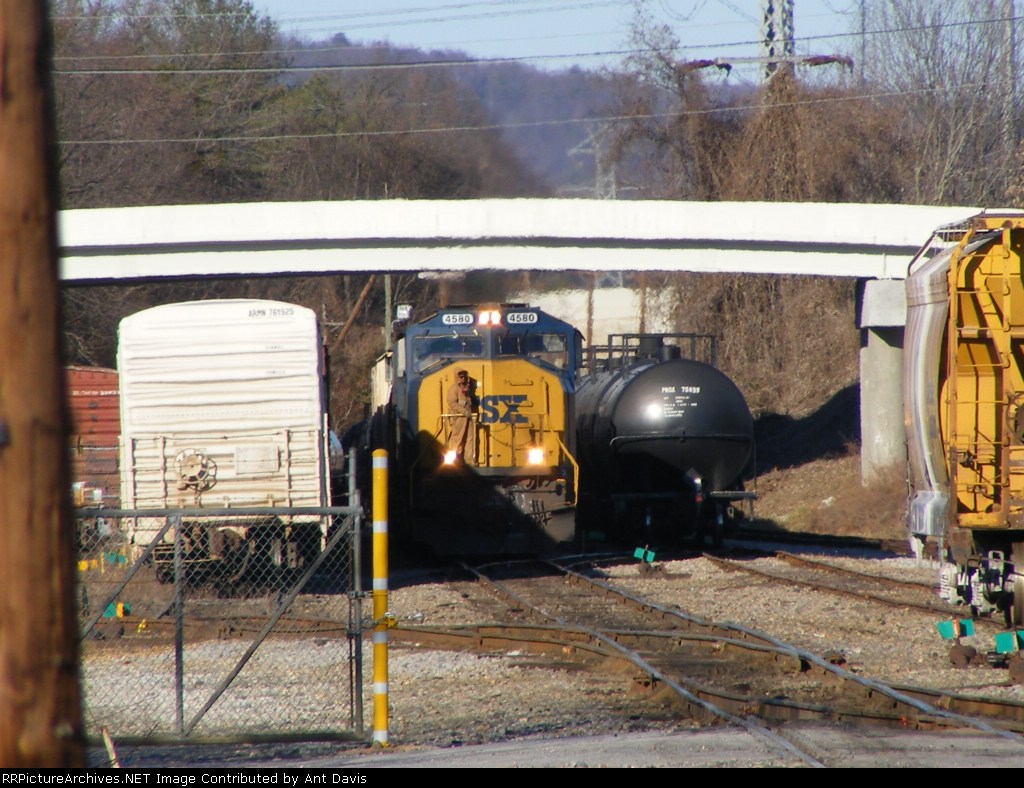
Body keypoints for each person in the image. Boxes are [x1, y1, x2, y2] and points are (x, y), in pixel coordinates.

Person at [446, 368, 476, 463]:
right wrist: (463, 411)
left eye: (464, 376)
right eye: (461, 376)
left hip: (468, 417)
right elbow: (451, 402)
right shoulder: (454, 388)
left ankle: (469, 460)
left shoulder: (466, 388)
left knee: (469, 439)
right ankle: (455, 461)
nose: (463, 378)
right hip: (458, 417)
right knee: (457, 439)